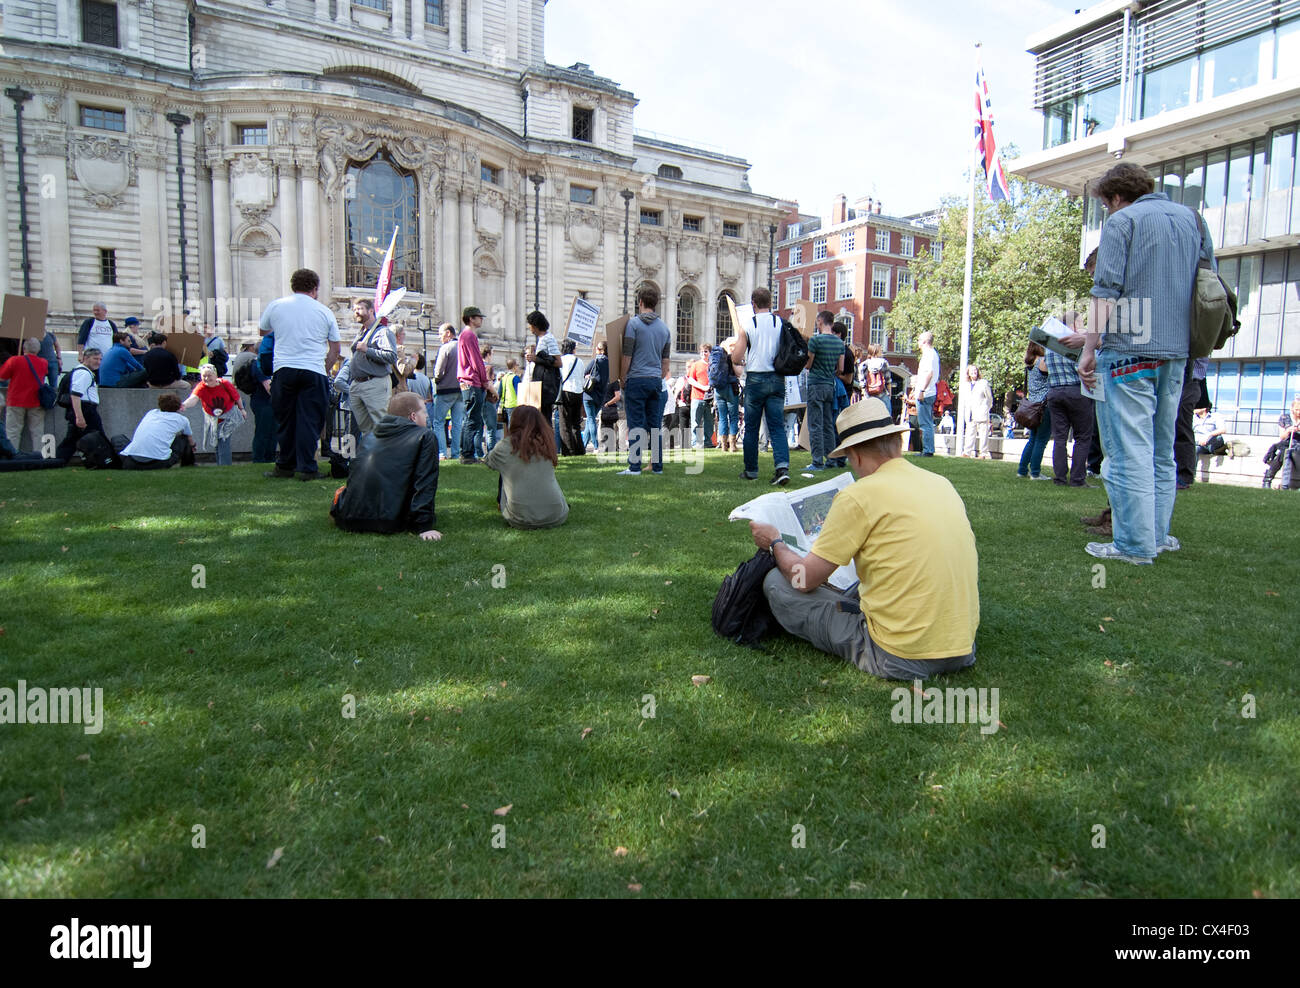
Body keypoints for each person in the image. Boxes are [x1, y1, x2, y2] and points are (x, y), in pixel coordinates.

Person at [749, 397, 979, 680]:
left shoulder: (859, 496)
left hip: (897, 654)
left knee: (776, 583)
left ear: (855, 455)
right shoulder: (941, 484)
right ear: (896, 442)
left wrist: (775, 542)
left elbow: (803, 579)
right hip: (962, 648)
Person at [1078, 162, 1212, 564]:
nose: (1107, 211)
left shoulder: (1122, 223)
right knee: (1159, 450)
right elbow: (1207, 284)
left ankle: (1134, 545)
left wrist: (1088, 347)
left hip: (1129, 351)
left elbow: (1106, 288)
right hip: (1176, 352)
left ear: (1115, 197)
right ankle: (1156, 535)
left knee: (1126, 452)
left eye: (1105, 204)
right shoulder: (1193, 219)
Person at [260, 268, 342, 481]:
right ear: (315, 289)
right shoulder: (324, 311)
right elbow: (335, 349)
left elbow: (263, 330)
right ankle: (307, 467)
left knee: (285, 419)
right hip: (313, 370)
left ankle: (285, 465)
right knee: (310, 420)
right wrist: (325, 368)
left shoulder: (277, 306)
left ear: (293, 286)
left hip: (284, 368)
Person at [330, 392, 441, 540]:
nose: (427, 417)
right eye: (424, 412)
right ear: (413, 416)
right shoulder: (425, 436)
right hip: (390, 520)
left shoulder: (369, 436)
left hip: (348, 516)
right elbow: (425, 480)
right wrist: (424, 526)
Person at [733, 286, 789, 485]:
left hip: (756, 379)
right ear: (770, 303)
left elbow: (737, 356)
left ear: (753, 304)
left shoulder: (748, 325)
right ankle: (782, 467)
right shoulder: (780, 323)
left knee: (751, 427)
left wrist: (738, 358)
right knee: (776, 426)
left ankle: (751, 470)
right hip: (776, 378)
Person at [485, 403, 569, 529]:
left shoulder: (504, 446)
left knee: (504, 470)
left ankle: (505, 505)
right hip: (556, 516)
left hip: (519, 519)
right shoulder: (547, 444)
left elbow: (489, 462)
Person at [617, 286, 672, 476]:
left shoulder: (633, 324)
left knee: (636, 423)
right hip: (655, 381)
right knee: (656, 424)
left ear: (640, 302)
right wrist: (659, 377)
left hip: (636, 379)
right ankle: (657, 467)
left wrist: (623, 377)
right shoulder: (665, 328)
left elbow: (627, 355)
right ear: (655, 303)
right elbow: (666, 362)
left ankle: (634, 467)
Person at [1043, 320, 1095, 486]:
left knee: (1059, 438)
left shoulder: (1050, 346)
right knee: (1082, 436)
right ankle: (1077, 478)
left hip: (1054, 392)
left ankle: (1059, 478)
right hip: (1076, 391)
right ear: (1072, 324)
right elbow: (1086, 366)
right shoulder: (1074, 344)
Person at [344, 297, 396, 447]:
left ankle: (389, 459)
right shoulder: (361, 332)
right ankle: (371, 460)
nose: (356, 312)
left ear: (371, 310)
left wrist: (368, 350)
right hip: (357, 385)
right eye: (354, 310)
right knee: (366, 429)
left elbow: (391, 356)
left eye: (359, 309)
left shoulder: (382, 332)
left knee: (380, 424)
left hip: (374, 383)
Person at [182, 363, 247, 465]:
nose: (207, 378)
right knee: (218, 443)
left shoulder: (225, 384)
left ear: (215, 375)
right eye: (204, 376)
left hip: (228, 417)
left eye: (209, 376)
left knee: (223, 441)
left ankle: (224, 467)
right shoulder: (201, 387)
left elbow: (237, 397)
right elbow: (193, 399)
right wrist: (184, 405)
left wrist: (242, 409)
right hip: (213, 419)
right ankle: (220, 466)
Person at [120, 393, 196, 469]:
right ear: (179, 406)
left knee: (119, 438)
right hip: (158, 463)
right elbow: (189, 438)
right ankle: (189, 464)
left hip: (131, 461)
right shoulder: (182, 420)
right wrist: (193, 446)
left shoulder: (151, 413)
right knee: (184, 438)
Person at [55, 348, 103, 463]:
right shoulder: (84, 373)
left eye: (100, 359)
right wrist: (79, 417)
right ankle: (102, 460)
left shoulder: (79, 371)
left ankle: (58, 460)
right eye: (95, 358)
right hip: (86, 409)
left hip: (83, 409)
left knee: (71, 440)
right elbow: (75, 395)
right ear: (86, 358)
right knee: (97, 437)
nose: (98, 362)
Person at [0, 338, 49, 454]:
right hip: (36, 401)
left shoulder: (14, 360)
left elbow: (2, 377)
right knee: (37, 432)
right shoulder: (44, 362)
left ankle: (12, 454)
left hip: (16, 400)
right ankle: (39, 455)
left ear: (24, 348)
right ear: (38, 350)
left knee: (13, 431)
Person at [457, 306, 490, 464]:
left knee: (469, 418)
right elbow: (476, 361)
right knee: (472, 419)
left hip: (467, 381)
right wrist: (485, 381)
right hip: (472, 381)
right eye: (478, 317)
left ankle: (466, 453)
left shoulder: (464, 335)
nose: (481, 319)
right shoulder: (469, 335)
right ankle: (467, 454)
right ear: (471, 318)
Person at [1017, 342, 1052, 480]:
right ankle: (1035, 472)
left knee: (1032, 439)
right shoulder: (1043, 361)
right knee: (1041, 440)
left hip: (1032, 406)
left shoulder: (1030, 364)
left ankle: (1022, 469)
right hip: (1043, 406)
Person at [431, 323, 463, 460]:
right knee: (457, 423)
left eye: (441, 334)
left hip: (445, 390)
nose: (439, 337)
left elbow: (438, 371)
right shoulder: (463, 348)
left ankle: (442, 453)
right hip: (461, 389)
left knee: (438, 422)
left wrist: (437, 381)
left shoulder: (446, 347)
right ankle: (456, 453)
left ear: (448, 333)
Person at [528, 310, 563, 427]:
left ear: (535, 325)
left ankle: (548, 443)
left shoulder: (548, 338)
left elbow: (558, 362)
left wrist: (536, 359)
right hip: (541, 386)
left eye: (530, 324)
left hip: (546, 387)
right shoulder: (543, 339)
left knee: (544, 418)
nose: (529, 327)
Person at [910, 331, 940, 456]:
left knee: (925, 423)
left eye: (919, 340)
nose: (918, 342)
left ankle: (928, 450)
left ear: (924, 341)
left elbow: (929, 373)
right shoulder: (932, 354)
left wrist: (922, 390)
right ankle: (927, 449)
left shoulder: (929, 354)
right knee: (926, 422)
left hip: (926, 393)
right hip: (927, 391)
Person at [1263, 394, 1300, 489]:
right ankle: (1268, 479)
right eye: (1297, 409)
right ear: (1292, 409)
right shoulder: (1285, 418)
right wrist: (1288, 430)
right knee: (1283, 453)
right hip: (1288, 444)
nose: (1299, 412)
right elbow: (1282, 437)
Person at [558, 338, 586, 456]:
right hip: (578, 392)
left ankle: (569, 450)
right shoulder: (579, 361)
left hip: (565, 391)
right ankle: (580, 449)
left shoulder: (561, 361)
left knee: (565, 423)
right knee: (576, 423)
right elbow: (581, 378)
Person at [712, 337, 741, 452]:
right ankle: (733, 445)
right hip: (730, 388)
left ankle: (724, 445)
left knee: (722, 418)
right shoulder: (732, 357)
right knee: (733, 417)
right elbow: (739, 373)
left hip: (718, 389)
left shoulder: (719, 358)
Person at [960, 364, 994, 458]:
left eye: (975, 370)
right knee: (970, 433)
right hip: (970, 414)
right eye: (971, 371)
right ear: (968, 373)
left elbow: (989, 398)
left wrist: (986, 408)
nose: (974, 372)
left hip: (981, 413)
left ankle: (983, 453)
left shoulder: (983, 383)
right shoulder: (966, 385)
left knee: (983, 434)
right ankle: (967, 452)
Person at [687, 342, 716, 450]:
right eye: (702, 351)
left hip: (710, 399)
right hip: (697, 397)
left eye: (706, 351)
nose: (704, 353)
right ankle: (695, 442)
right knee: (695, 421)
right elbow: (690, 379)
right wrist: (702, 387)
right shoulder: (696, 365)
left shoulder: (713, 365)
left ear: (710, 353)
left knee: (709, 422)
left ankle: (708, 442)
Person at [582, 341, 608, 451]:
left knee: (591, 419)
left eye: (596, 348)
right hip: (601, 395)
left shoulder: (595, 361)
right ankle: (583, 446)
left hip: (589, 394)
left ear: (600, 350)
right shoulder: (610, 363)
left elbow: (585, 372)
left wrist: (588, 376)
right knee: (590, 420)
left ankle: (596, 446)